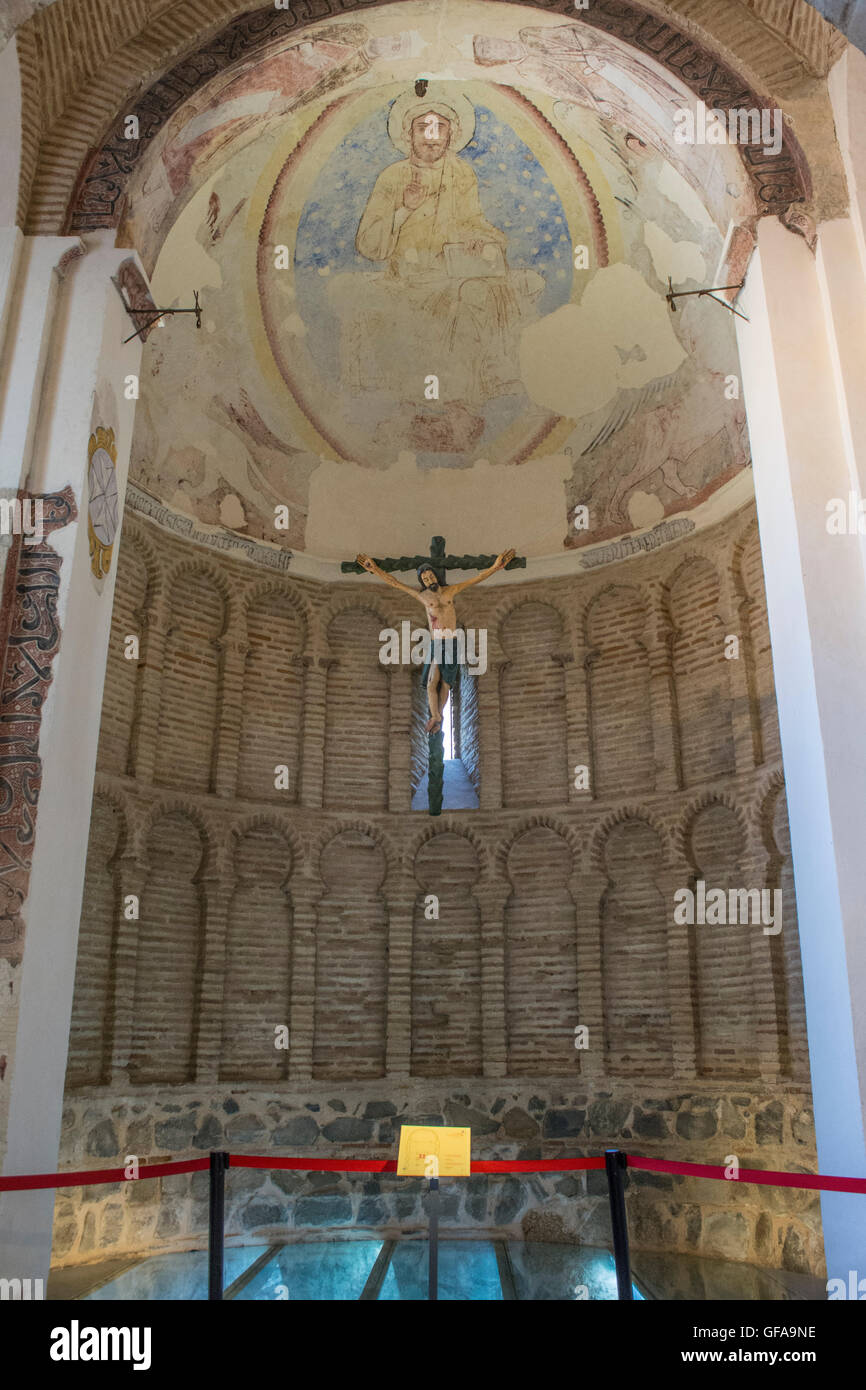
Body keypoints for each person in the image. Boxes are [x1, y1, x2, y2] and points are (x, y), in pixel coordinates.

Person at [356, 549, 516, 732]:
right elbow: (396, 583)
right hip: (436, 643)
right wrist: (374, 569)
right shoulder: (423, 597)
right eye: (425, 579)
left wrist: (495, 567)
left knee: (446, 683)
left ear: (436, 576)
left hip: (451, 642)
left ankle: (438, 717)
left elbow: (476, 579)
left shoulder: (450, 591)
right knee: (431, 682)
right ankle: (435, 716)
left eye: (430, 576)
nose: (429, 580)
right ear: (422, 582)